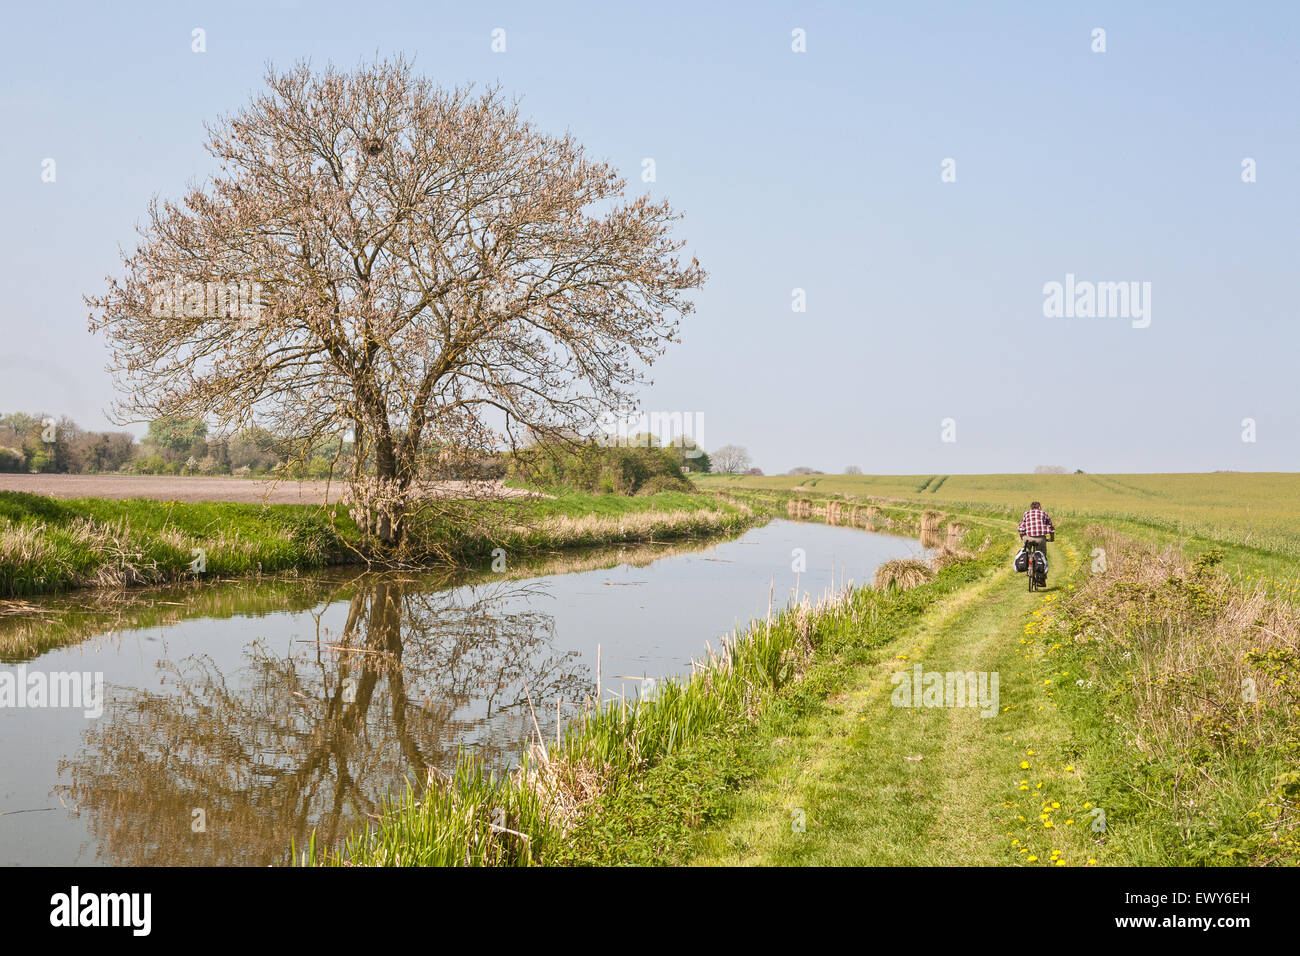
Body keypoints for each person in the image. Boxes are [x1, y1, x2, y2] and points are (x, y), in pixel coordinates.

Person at [1017, 501, 1055, 571]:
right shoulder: (1044, 513)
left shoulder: (1026, 513)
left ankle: (1027, 563)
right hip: (1040, 539)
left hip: (1028, 538)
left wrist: (1022, 537)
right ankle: (1042, 576)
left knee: (1026, 551)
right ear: (1039, 507)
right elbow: (1051, 528)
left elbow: (1020, 528)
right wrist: (1052, 538)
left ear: (1031, 508)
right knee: (1042, 555)